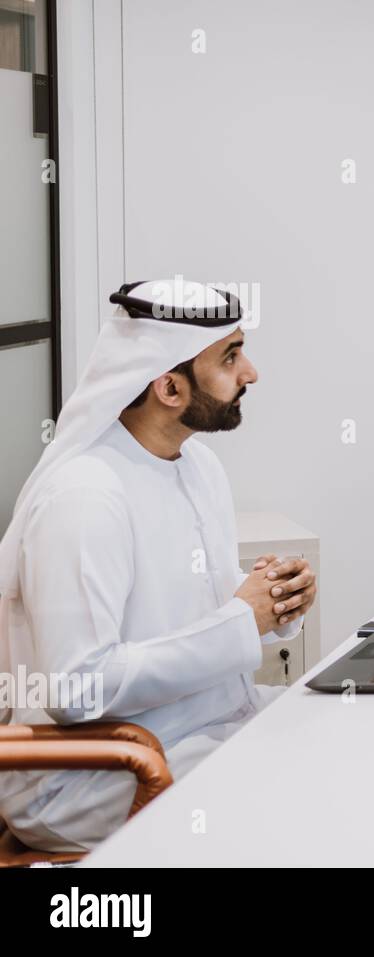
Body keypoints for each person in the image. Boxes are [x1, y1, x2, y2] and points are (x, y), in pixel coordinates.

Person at [0, 280, 318, 852]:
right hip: (92, 776)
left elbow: (210, 613)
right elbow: (77, 690)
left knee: (346, 737)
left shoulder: (198, 466)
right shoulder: (85, 498)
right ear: (170, 387)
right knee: (306, 803)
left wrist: (275, 600)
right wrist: (243, 622)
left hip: (197, 730)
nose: (250, 373)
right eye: (231, 356)